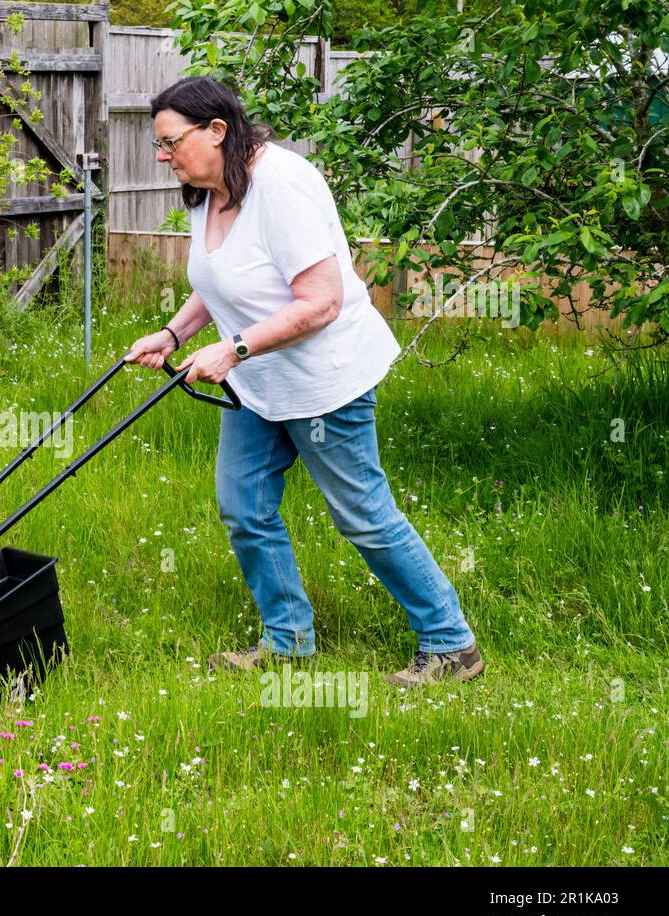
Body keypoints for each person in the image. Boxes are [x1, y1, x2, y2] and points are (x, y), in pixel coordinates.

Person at [124, 76, 483, 688]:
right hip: (257, 382)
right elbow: (224, 282)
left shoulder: (281, 187)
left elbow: (321, 302)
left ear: (217, 130)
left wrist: (233, 350)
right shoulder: (210, 188)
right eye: (159, 146)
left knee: (362, 514)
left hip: (322, 380)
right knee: (244, 507)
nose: (163, 158)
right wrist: (174, 334)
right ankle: (288, 642)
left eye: (170, 143)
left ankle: (452, 644)